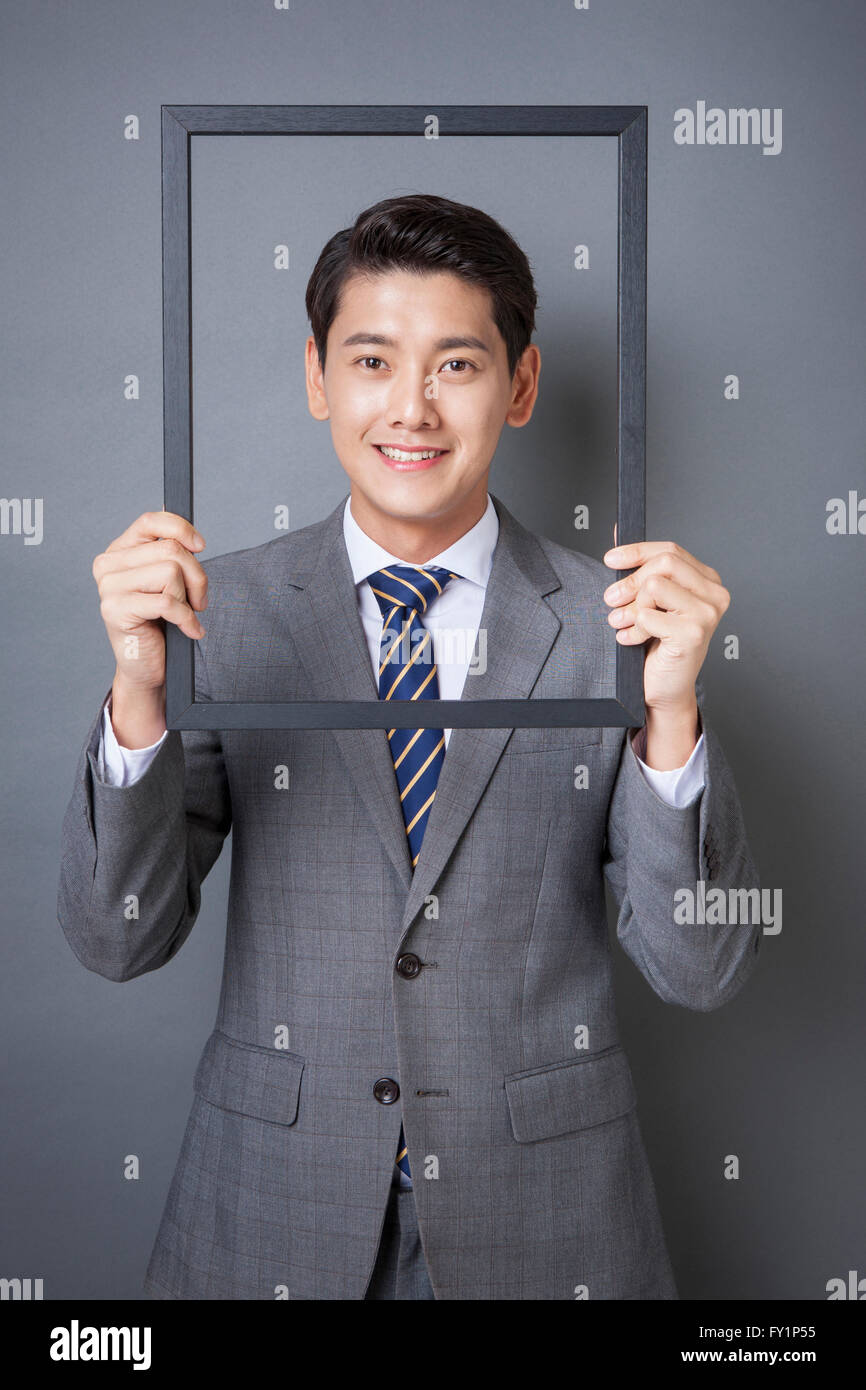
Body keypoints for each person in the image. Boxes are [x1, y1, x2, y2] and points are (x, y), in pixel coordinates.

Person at [57, 192, 761, 1300]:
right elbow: (115, 938)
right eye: (373, 359)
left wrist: (669, 716)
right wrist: (139, 696)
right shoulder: (212, 612)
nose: (412, 407)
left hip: (546, 1219)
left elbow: (702, 967)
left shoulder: (615, 626)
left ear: (519, 386)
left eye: (458, 366)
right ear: (316, 376)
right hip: (271, 1206)